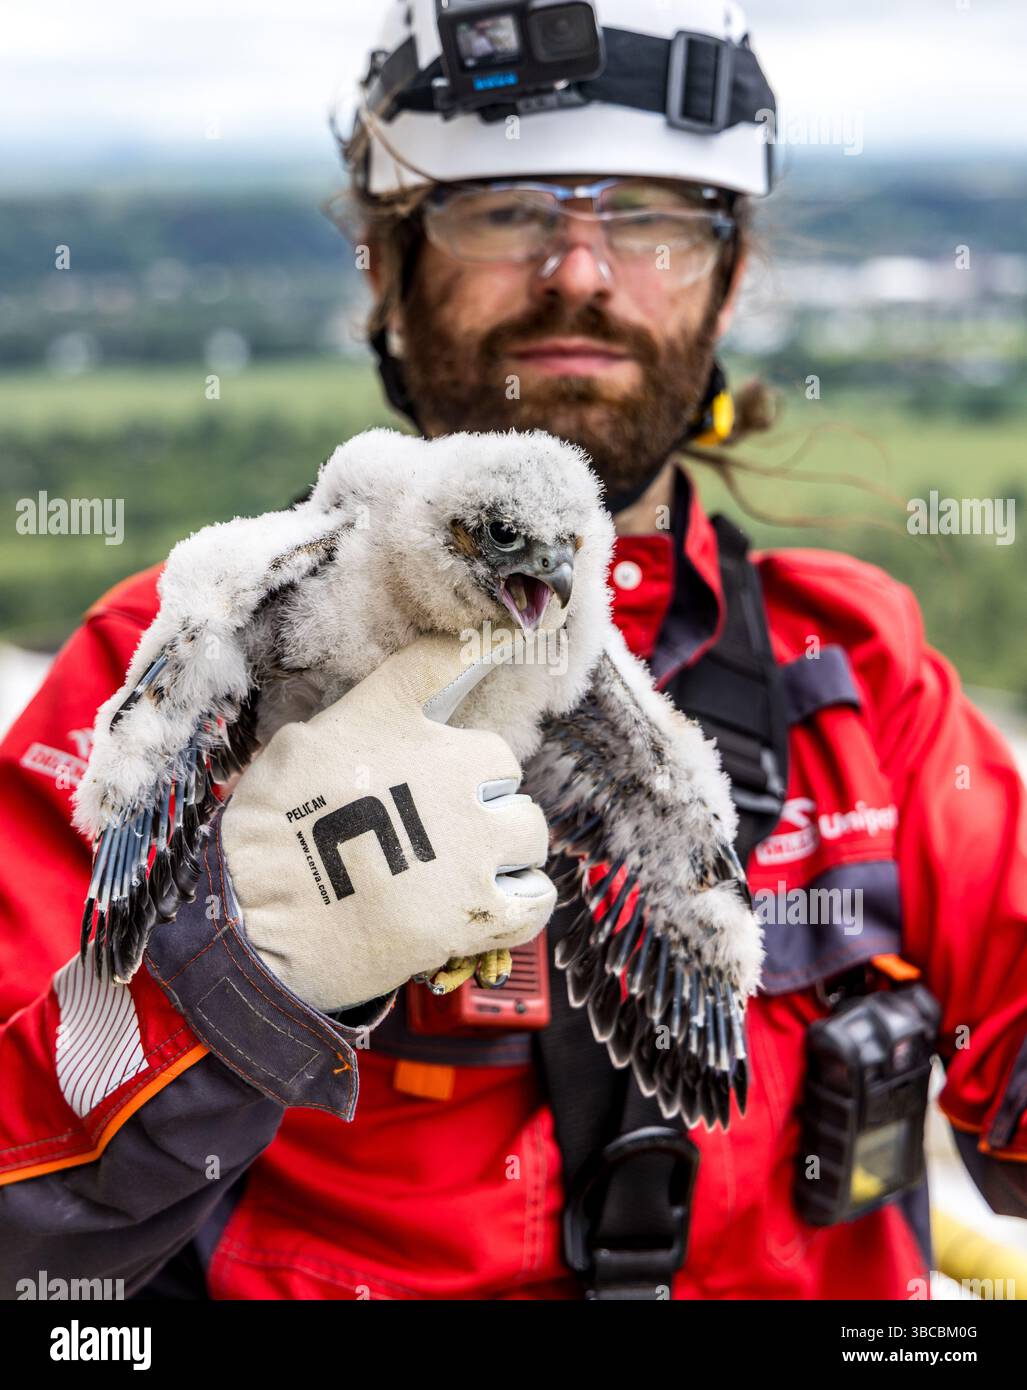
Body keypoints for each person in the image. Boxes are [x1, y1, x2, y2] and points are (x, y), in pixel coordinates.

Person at [1, 0, 1025, 1301]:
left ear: (730, 270)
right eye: (506, 209)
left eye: (653, 214)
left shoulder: (862, 679)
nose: (581, 271)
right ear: (386, 258)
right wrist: (234, 974)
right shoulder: (185, 645)